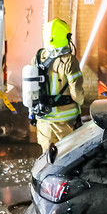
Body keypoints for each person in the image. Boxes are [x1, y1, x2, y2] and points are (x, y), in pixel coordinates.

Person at [29, 18, 89, 149]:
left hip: (43, 119)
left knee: (47, 157)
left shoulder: (38, 58)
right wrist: (80, 104)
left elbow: (31, 89)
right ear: (66, 37)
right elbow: (77, 93)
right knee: (67, 154)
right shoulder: (69, 61)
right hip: (64, 121)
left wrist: (32, 112)